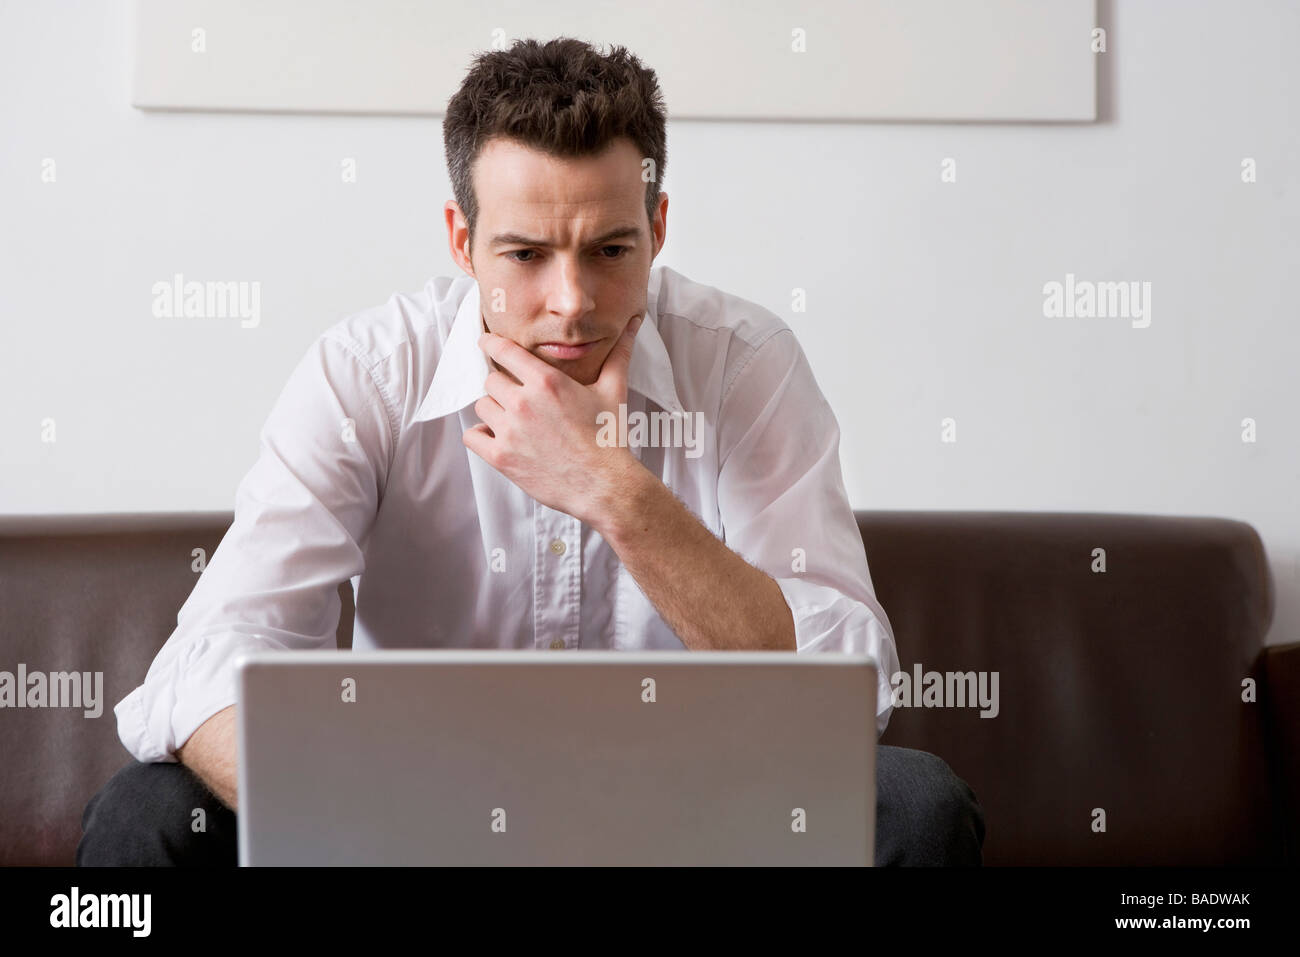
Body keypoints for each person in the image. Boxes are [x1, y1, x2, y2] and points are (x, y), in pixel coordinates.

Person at [79, 36, 984, 867]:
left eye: (611, 249)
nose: (572, 302)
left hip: (691, 814)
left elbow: (845, 686)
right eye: (524, 254)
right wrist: (387, 817)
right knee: (146, 813)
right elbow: (207, 660)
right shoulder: (367, 375)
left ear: (659, 228)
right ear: (462, 241)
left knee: (917, 806)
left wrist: (614, 491)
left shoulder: (746, 366)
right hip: (413, 815)